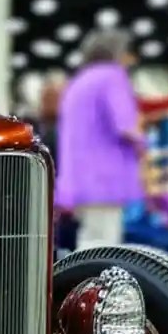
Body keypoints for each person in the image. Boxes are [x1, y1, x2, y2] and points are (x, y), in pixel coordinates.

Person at [54, 29, 145, 250]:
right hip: (106, 177)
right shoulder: (113, 77)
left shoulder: (78, 82)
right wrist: (143, 144)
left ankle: (84, 283)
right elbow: (125, 126)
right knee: (104, 244)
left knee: (89, 239)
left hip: (78, 178)